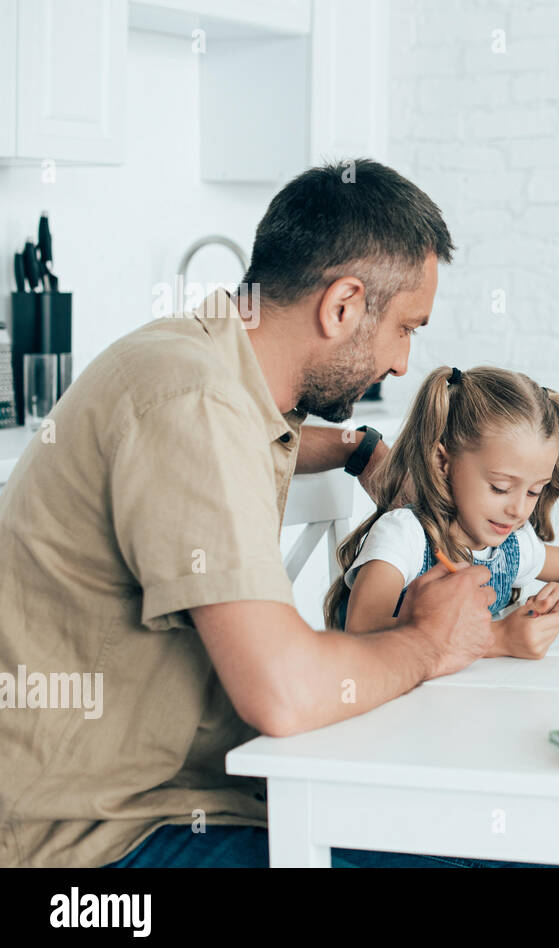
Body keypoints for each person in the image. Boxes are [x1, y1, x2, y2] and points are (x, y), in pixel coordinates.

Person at [0, 159, 518, 867]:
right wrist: (431, 640)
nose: (403, 364)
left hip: (195, 795)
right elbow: (283, 692)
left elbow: (248, 433)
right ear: (341, 306)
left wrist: (357, 447)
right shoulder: (190, 401)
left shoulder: (203, 361)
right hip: (97, 845)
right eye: (404, 328)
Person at [326, 364, 559, 658]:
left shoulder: (511, 546)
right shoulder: (404, 536)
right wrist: (497, 639)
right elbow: (362, 630)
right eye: (499, 488)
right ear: (443, 462)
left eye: (534, 491)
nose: (518, 509)